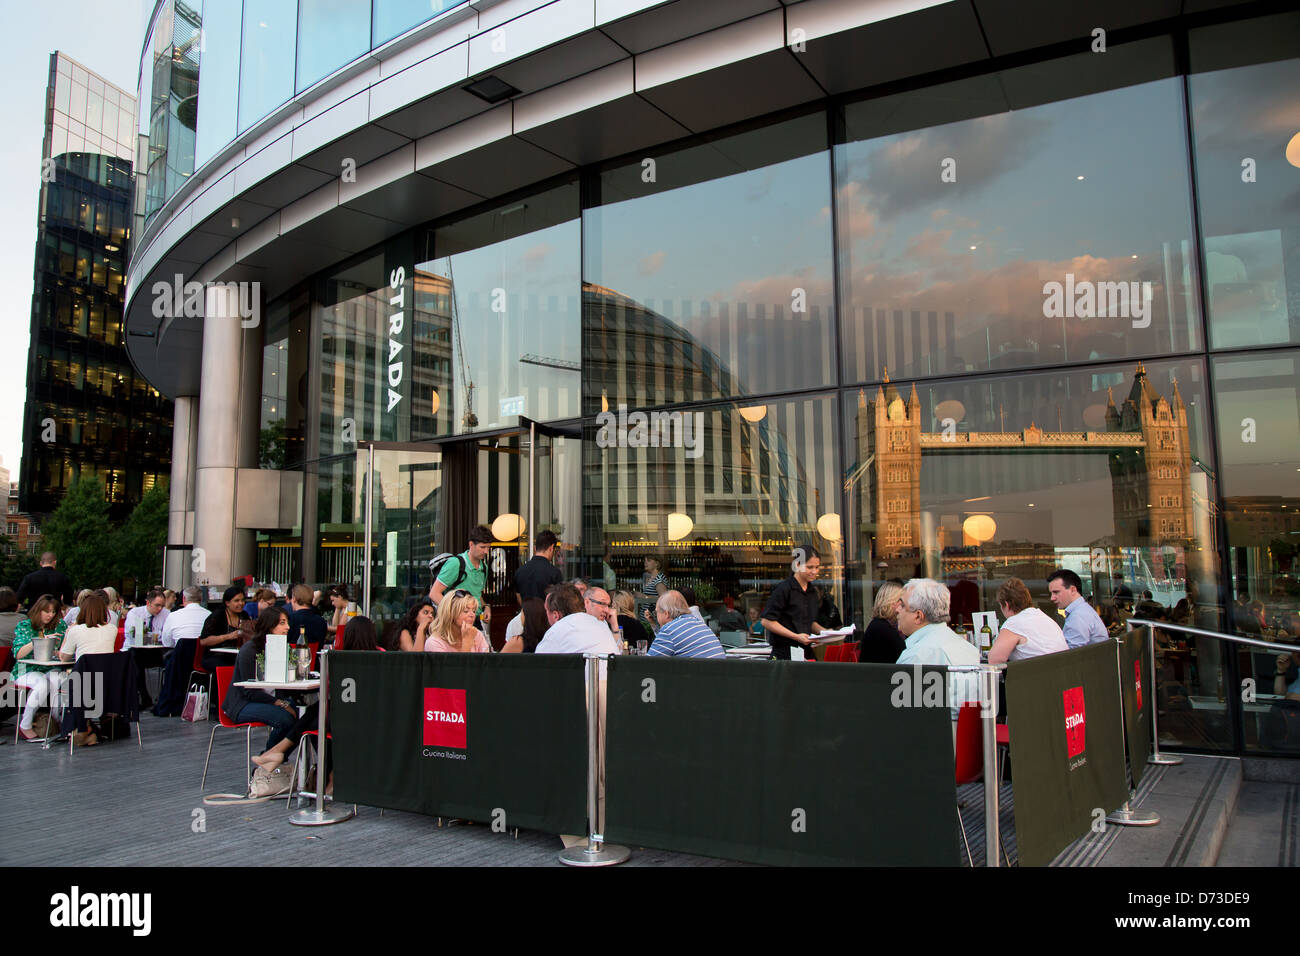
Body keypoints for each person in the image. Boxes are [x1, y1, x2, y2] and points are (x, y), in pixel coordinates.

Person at [250, 615, 383, 793]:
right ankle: (330, 779)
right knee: (317, 716)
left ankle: (283, 753)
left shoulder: (339, 658)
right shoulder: (382, 655)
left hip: (349, 720)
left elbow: (330, 690)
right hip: (372, 718)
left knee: (317, 715)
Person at [895, 578, 979, 720]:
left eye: (902, 605)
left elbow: (899, 715)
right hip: (962, 737)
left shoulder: (917, 656)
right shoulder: (969, 648)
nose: (896, 609)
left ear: (918, 616)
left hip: (934, 738)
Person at [224, 606, 299, 753]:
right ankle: (267, 762)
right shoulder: (250, 650)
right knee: (285, 720)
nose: (288, 627)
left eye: (287, 622)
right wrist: (280, 703)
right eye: (282, 623)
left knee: (302, 718)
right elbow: (249, 690)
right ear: (270, 626)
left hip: (267, 699)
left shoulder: (281, 647)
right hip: (243, 703)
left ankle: (272, 759)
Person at [12, 595, 69, 741]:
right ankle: (25, 725)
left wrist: (57, 650)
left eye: (53, 612)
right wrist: (39, 641)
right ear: (38, 610)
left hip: (50, 667)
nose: (50, 615)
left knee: (60, 680)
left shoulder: (60, 626)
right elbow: (18, 655)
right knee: (43, 684)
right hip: (26, 669)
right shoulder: (25, 626)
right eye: (46, 611)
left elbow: (64, 652)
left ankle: (58, 721)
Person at [760, 545, 824, 660]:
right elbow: (767, 621)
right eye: (810, 567)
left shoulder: (812, 591)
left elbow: (808, 621)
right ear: (798, 565)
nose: (814, 571)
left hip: (806, 651)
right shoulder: (784, 589)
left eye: (817, 567)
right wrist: (795, 636)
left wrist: (825, 633)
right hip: (784, 652)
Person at [988, 578, 1068, 665]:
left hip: (1040, 675)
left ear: (1006, 605)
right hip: (1062, 673)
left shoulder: (1013, 623)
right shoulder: (1043, 617)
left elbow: (994, 660)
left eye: (1000, 605)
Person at [535, 584, 621, 655]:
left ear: (555, 615)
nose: (606, 610)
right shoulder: (601, 625)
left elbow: (537, 665)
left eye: (546, 610)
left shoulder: (558, 630)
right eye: (602, 604)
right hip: (612, 674)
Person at [430, 525, 491, 617]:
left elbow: (477, 594)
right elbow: (434, 594)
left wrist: (485, 607)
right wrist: (453, 614)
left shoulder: (484, 567)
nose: (486, 551)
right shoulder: (455, 563)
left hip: (476, 620)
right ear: (471, 544)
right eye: (482, 547)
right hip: (456, 622)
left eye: (488, 547)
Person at [647, 591, 725, 659]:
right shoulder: (698, 622)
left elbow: (648, 663)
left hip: (702, 674)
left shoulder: (669, 630)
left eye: (656, 612)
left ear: (666, 613)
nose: (656, 616)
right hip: (719, 673)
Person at [1047, 569, 1109, 648]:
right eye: (1051, 593)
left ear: (1073, 590)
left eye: (1056, 592)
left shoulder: (1078, 616)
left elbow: (1070, 655)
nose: (1052, 598)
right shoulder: (1083, 610)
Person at [198, 586, 249, 671]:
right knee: (228, 666)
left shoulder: (244, 615)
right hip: (215, 656)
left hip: (237, 655)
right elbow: (203, 641)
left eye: (243, 600)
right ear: (227, 603)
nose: (241, 603)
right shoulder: (217, 616)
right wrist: (227, 636)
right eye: (236, 601)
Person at [425, 590, 490, 653]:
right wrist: (467, 642)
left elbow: (486, 663)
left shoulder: (477, 634)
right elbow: (460, 664)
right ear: (450, 613)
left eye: (473, 611)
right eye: (466, 611)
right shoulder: (434, 643)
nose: (472, 615)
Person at [59, 592, 118, 661]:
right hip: (105, 670)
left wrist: (67, 634)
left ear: (83, 611)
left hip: (85, 671)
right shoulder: (113, 629)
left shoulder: (76, 630)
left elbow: (63, 658)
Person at [860, 581, 905, 664]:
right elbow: (905, 654)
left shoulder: (879, 625)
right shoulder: (883, 629)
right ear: (891, 602)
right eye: (901, 602)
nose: (903, 607)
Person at [515, 529, 563, 603]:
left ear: (535, 548)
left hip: (526, 613)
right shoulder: (554, 572)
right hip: (546, 613)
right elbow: (558, 600)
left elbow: (518, 596)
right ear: (551, 548)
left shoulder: (520, 571)